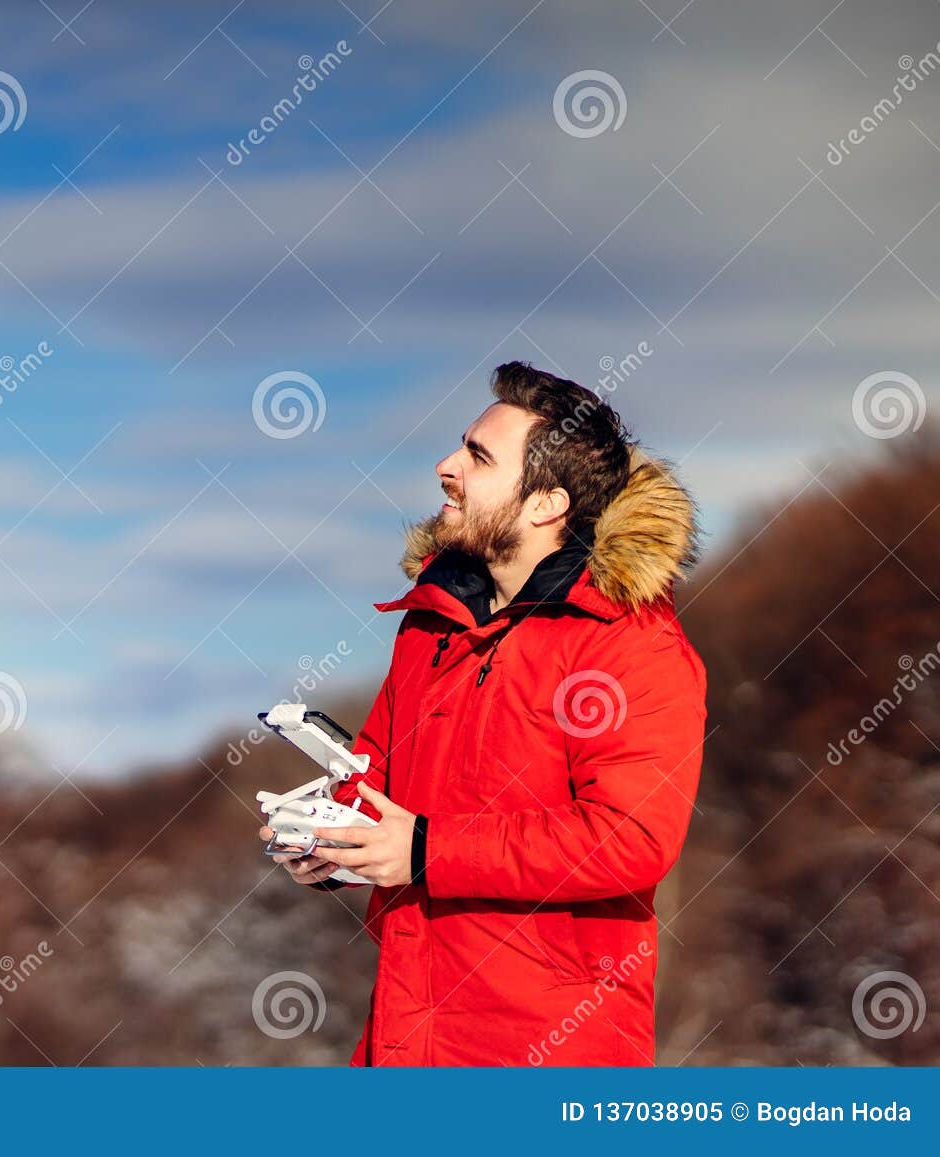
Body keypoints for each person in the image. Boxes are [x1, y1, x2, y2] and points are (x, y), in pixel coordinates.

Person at [260, 360, 705, 1066]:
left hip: (547, 1046)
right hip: (406, 1032)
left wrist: (427, 849)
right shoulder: (432, 623)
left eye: (477, 455)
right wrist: (329, 842)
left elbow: (629, 837)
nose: (446, 467)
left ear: (545, 503)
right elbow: (377, 782)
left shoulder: (631, 644)